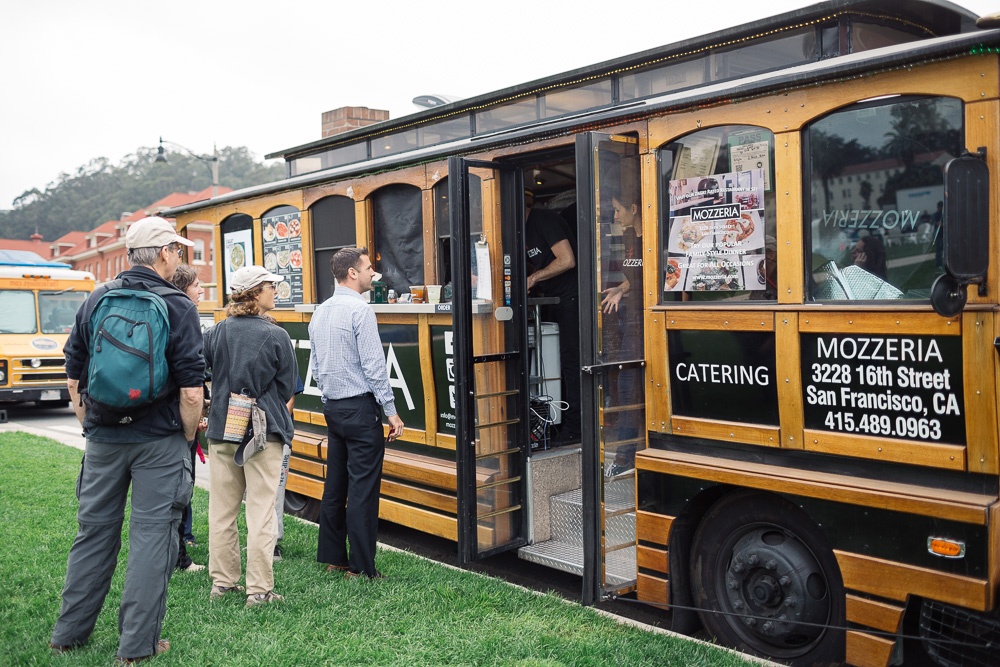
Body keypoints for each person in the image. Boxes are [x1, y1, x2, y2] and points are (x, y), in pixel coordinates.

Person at [50, 216, 203, 663]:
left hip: (102, 437)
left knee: (93, 534)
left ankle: (68, 634)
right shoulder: (179, 305)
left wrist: (89, 423)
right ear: (163, 255)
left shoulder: (97, 297)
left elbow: (74, 371)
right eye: (176, 250)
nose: (178, 256)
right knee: (152, 539)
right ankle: (136, 647)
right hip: (159, 440)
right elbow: (192, 390)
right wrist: (186, 436)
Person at [203, 265, 298, 606]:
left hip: (221, 428)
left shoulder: (214, 333)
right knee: (261, 510)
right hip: (263, 429)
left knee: (222, 510)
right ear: (256, 293)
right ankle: (259, 590)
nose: (275, 291)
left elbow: (200, 369)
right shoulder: (276, 336)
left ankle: (223, 584)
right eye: (271, 286)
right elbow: (288, 385)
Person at [311, 247, 404, 579]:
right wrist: (390, 411)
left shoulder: (320, 311)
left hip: (333, 408)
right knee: (363, 490)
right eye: (367, 268)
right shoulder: (361, 311)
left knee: (335, 486)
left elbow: (316, 368)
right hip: (360, 408)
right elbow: (375, 367)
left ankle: (335, 557)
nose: (371, 274)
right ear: (352, 273)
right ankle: (362, 568)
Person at [525, 190, 581, 444]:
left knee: (571, 364)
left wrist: (534, 278)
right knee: (555, 363)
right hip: (553, 301)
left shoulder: (543, 220)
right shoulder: (524, 230)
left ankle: (576, 429)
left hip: (571, 299)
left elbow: (567, 260)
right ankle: (553, 423)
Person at [601, 196, 644, 476]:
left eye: (618, 209)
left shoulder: (651, 234)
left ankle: (626, 456)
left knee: (629, 383)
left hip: (645, 320)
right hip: (632, 319)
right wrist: (621, 289)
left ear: (633, 208)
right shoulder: (633, 239)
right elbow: (638, 276)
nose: (615, 216)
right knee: (630, 383)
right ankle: (631, 453)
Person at [170, 264, 207, 572]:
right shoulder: (186, 315)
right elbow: (192, 390)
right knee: (181, 488)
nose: (201, 290)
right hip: (179, 424)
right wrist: (192, 427)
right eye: (197, 285)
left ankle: (176, 546)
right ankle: (180, 556)